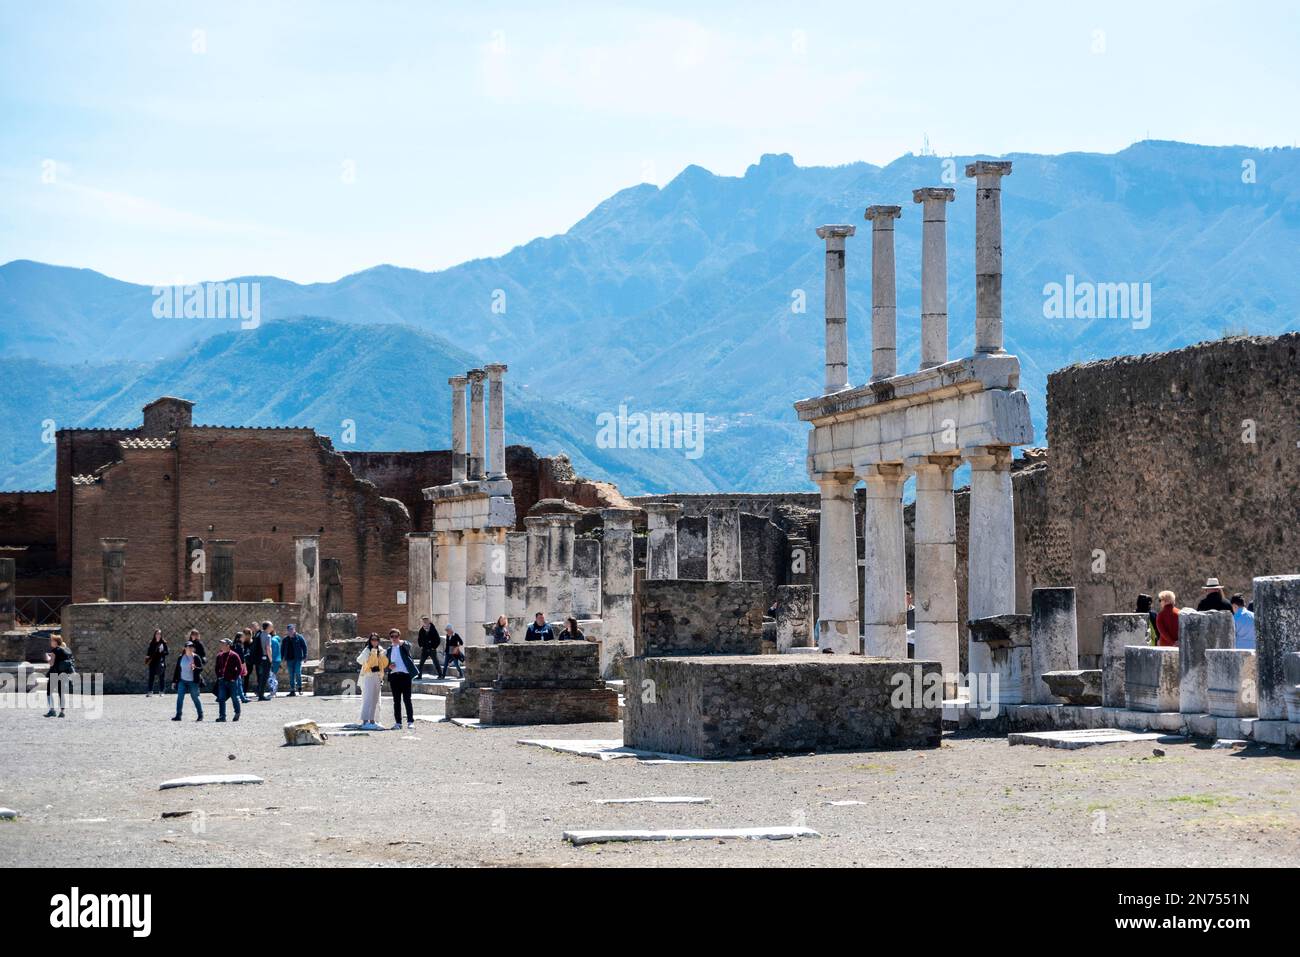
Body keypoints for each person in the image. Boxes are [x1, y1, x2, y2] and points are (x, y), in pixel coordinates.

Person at [386, 628, 417, 729]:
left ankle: (410, 721)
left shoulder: (404, 646)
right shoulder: (389, 650)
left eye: (396, 636)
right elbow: (385, 663)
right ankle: (398, 722)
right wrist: (388, 666)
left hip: (405, 676)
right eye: (392, 637)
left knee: (407, 699)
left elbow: (409, 645)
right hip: (394, 676)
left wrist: (400, 642)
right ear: (390, 638)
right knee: (396, 701)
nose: (394, 638)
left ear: (399, 637)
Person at [355, 634, 387, 728]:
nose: (374, 641)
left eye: (376, 639)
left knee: (376, 699)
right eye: (373, 639)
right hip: (368, 676)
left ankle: (373, 720)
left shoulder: (380, 649)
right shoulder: (367, 649)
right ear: (370, 640)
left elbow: (384, 661)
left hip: (377, 676)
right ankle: (365, 720)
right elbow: (359, 660)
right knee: (367, 698)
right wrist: (369, 657)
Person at [213, 637, 243, 722]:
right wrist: (218, 676)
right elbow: (216, 668)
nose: (221, 646)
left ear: (228, 645)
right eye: (221, 644)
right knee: (221, 698)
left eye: (223, 644)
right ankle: (222, 716)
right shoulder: (219, 656)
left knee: (234, 697)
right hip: (222, 681)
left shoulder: (234, 655)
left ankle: (237, 712)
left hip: (232, 681)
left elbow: (240, 668)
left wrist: (234, 678)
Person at [172, 641, 204, 721]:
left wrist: (195, 668)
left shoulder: (196, 657)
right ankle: (178, 715)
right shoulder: (181, 657)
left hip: (193, 681)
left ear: (193, 649)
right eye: (188, 647)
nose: (190, 649)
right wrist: (174, 681)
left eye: (191, 647)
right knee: (180, 698)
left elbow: (201, 669)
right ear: (185, 648)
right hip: (182, 681)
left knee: (195, 698)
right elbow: (177, 670)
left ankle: (200, 715)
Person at [45, 634, 75, 718]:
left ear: (55, 642)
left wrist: (47, 657)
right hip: (63, 674)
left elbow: (51, 663)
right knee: (61, 693)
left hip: (54, 674)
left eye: (52, 640)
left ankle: (52, 710)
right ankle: (62, 712)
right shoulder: (64, 650)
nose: (50, 642)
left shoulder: (54, 651)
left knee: (49, 692)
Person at [282, 623, 308, 696]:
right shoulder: (285, 639)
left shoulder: (299, 637)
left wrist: (305, 656)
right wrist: (282, 657)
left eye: (292, 629)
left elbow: (304, 647)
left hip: (298, 659)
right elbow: (282, 649)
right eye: (289, 630)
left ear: (294, 630)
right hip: (289, 659)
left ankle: (300, 688)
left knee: (298, 673)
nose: (291, 631)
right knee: (291, 675)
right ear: (287, 631)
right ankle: (292, 690)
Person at [145, 628, 168, 697]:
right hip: (152, 662)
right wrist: (147, 658)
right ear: (155, 635)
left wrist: (162, 652)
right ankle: (150, 691)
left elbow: (167, 652)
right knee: (151, 677)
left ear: (161, 635)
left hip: (160, 662)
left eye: (159, 634)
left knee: (161, 677)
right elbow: (149, 652)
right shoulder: (152, 642)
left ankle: (161, 691)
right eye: (157, 634)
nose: (158, 635)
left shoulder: (163, 643)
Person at [253, 620, 273, 700]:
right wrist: (271, 659)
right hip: (265, 658)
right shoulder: (268, 636)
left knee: (261, 676)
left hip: (259, 658)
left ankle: (260, 693)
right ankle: (261, 695)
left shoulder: (259, 635)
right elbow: (268, 648)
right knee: (265, 677)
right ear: (268, 627)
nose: (272, 628)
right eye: (271, 626)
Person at [237, 628, 254, 702]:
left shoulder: (252, 642)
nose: (247, 636)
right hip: (242, 662)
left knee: (246, 677)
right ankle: (240, 693)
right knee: (239, 678)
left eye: (248, 634)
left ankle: (244, 692)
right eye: (245, 634)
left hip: (249, 662)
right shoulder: (241, 643)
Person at [268, 627, 282, 698]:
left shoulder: (272, 641)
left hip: (273, 660)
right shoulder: (277, 640)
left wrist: (271, 661)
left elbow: (272, 652)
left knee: (271, 677)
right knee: (273, 676)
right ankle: (274, 692)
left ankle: (273, 692)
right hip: (277, 660)